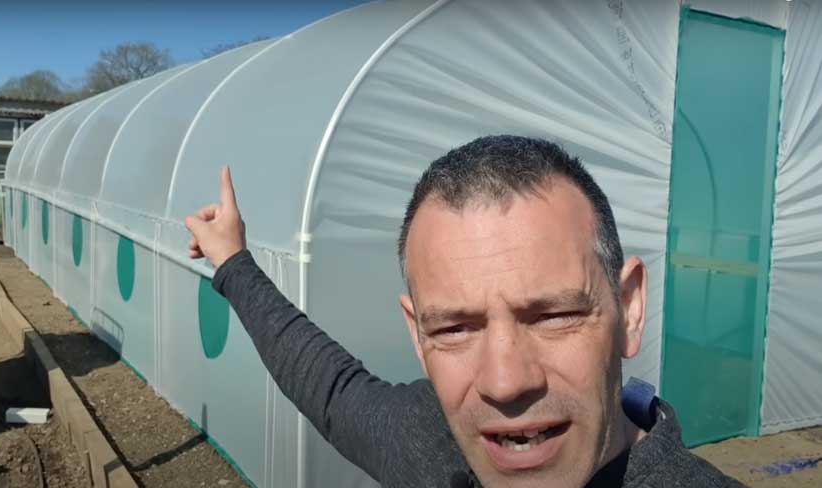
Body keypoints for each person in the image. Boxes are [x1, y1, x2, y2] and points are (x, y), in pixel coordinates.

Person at [185, 136, 743, 487]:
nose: (504, 382)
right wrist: (233, 261)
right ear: (417, 336)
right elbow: (327, 389)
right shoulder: (428, 444)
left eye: (552, 316)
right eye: (454, 327)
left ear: (629, 310)